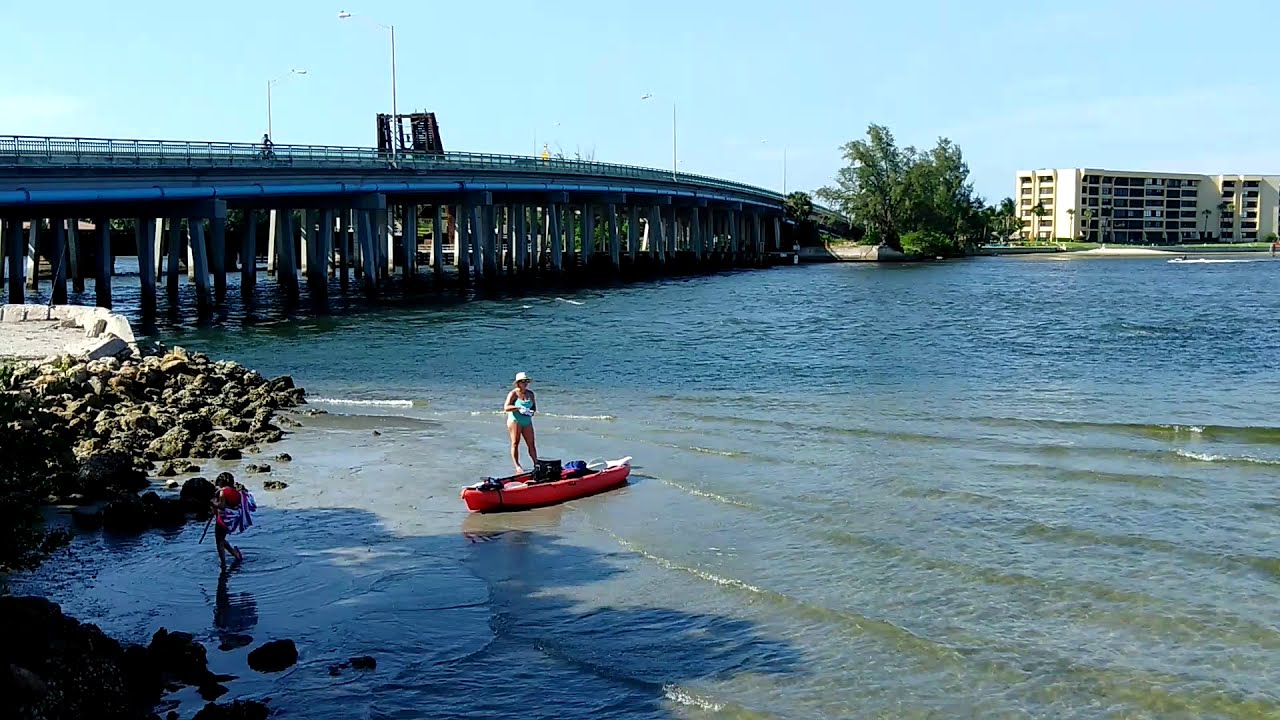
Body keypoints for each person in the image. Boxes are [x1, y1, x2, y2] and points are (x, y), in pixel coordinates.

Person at [210, 476, 255, 572]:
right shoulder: (237, 493)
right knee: (221, 539)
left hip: (222, 519)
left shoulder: (222, 492)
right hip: (231, 519)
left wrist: (213, 503)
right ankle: (236, 554)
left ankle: (223, 563)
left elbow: (221, 506)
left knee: (219, 541)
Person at [503, 371, 539, 473]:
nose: (525, 383)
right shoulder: (513, 393)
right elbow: (506, 407)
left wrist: (530, 412)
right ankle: (517, 465)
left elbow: (533, 407)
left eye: (526, 381)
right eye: (523, 381)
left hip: (527, 421)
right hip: (515, 421)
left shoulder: (530, 394)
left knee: (531, 443)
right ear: (518, 383)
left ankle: (536, 463)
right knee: (515, 443)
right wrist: (518, 408)